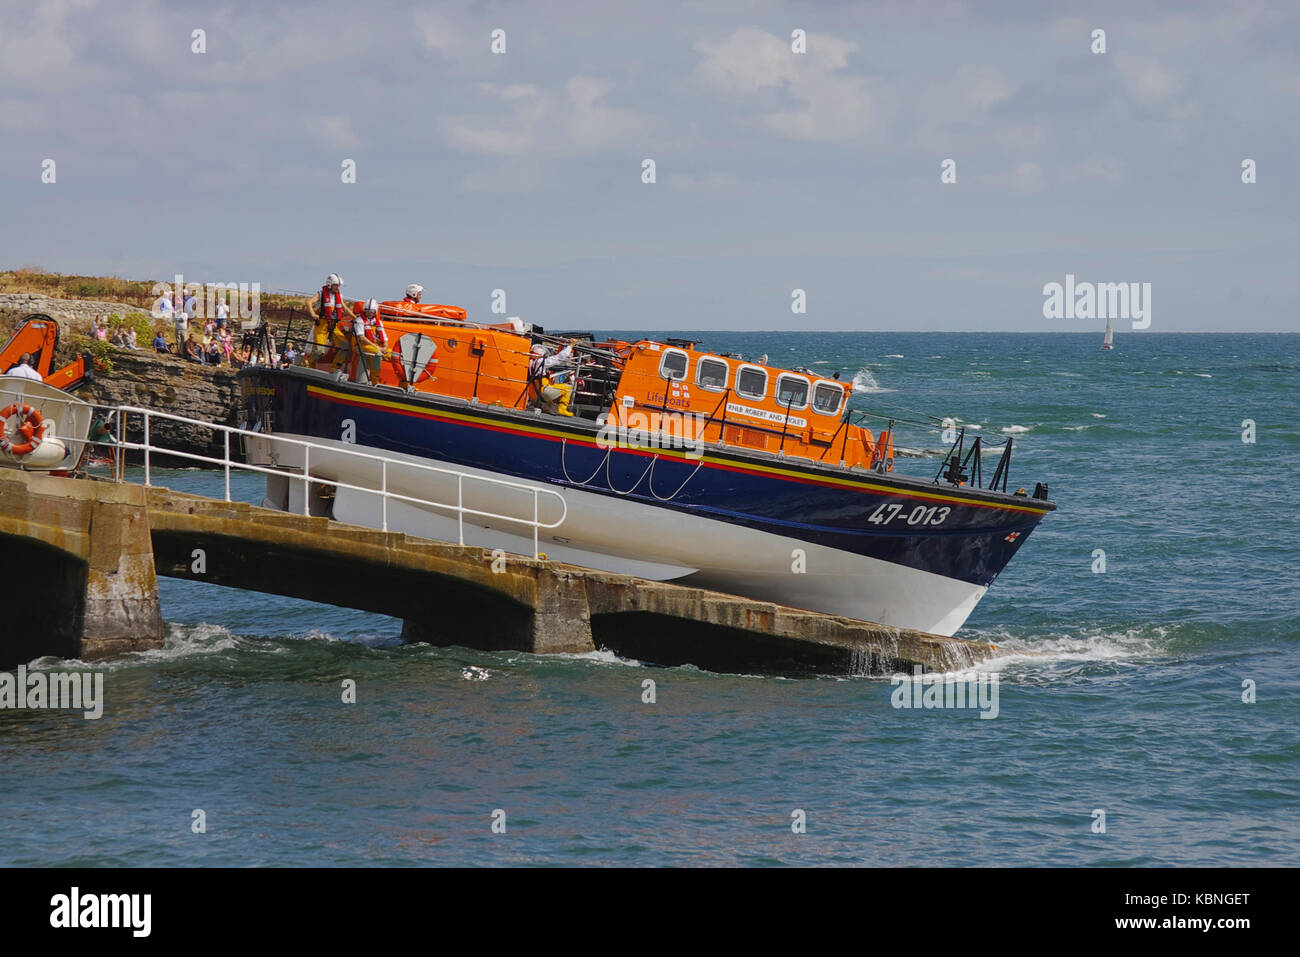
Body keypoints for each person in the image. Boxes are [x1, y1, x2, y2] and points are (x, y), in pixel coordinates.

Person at [306, 273, 354, 364]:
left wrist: (356, 318)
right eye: (336, 285)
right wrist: (313, 314)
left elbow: (345, 309)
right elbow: (308, 302)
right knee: (319, 351)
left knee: (345, 346)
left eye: (339, 286)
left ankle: (334, 369)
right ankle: (308, 363)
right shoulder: (321, 294)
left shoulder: (339, 296)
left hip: (333, 326)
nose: (338, 288)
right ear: (329, 284)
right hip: (321, 326)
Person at [529, 340, 578, 416]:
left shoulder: (530, 362)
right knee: (568, 388)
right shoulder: (541, 361)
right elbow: (559, 358)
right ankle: (562, 408)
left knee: (553, 411)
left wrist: (562, 346)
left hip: (533, 396)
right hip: (543, 392)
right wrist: (571, 345)